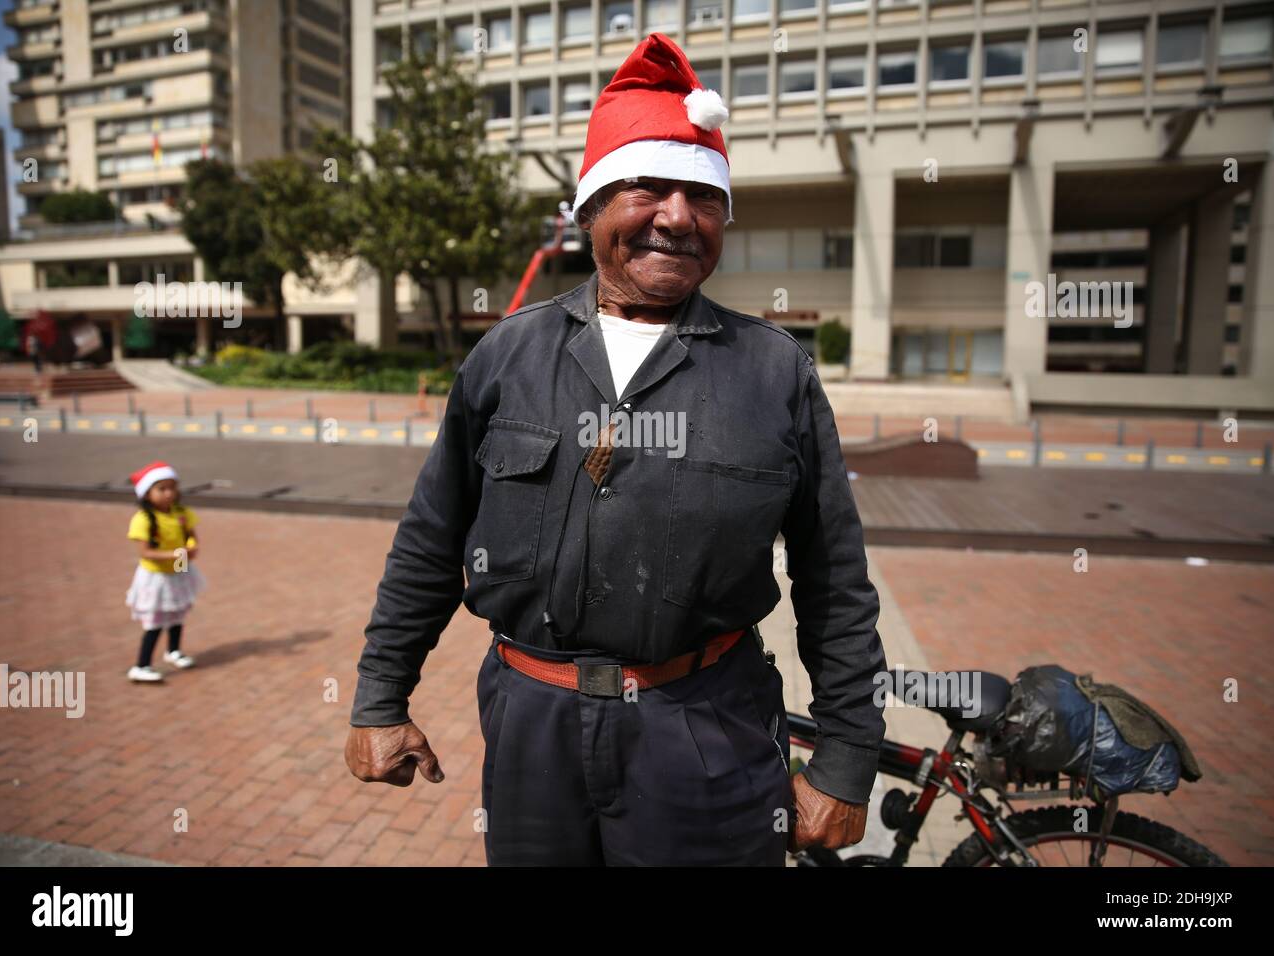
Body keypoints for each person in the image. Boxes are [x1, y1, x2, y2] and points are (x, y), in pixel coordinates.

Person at [344, 32, 887, 865]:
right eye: (647, 187)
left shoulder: (775, 371)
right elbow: (429, 538)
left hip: (707, 731)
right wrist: (381, 698)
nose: (678, 215)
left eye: (704, 196)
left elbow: (833, 576)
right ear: (592, 209)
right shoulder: (506, 357)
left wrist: (847, 760)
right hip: (530, 731)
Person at [125, 460, 206, 682]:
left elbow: (191, 535)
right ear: (147, 493)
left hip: (179, 569)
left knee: (178, 612)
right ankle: (141, 665)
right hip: (156, 576)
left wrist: (190, 548)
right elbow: (146, 552)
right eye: (162, 489)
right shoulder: (143, 519)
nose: (169, 493)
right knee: (156, 620)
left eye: (172, 487)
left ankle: (174, 651)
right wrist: (176, 554)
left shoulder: (181, 513)